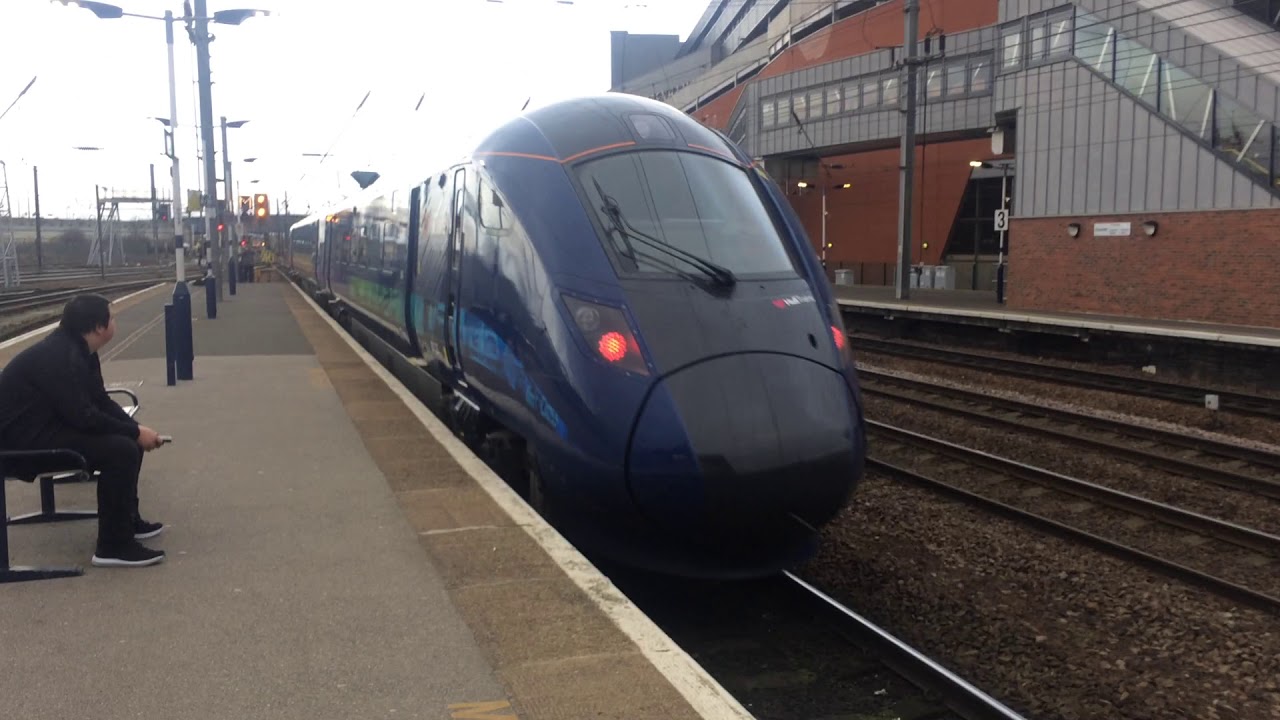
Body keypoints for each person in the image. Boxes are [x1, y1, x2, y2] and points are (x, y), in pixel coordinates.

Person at [0, 294, 167, 567]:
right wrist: (134, 434)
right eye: (111, 317)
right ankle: (113, 546)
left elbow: (99, 400)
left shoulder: (79, 350)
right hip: (20, 447)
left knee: (129, 441)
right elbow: (83, 416)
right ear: (99, 327)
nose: (115, 321)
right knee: (122, 449)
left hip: (42, 430)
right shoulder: (60, 357)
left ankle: (125, 523)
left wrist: (135, 429)